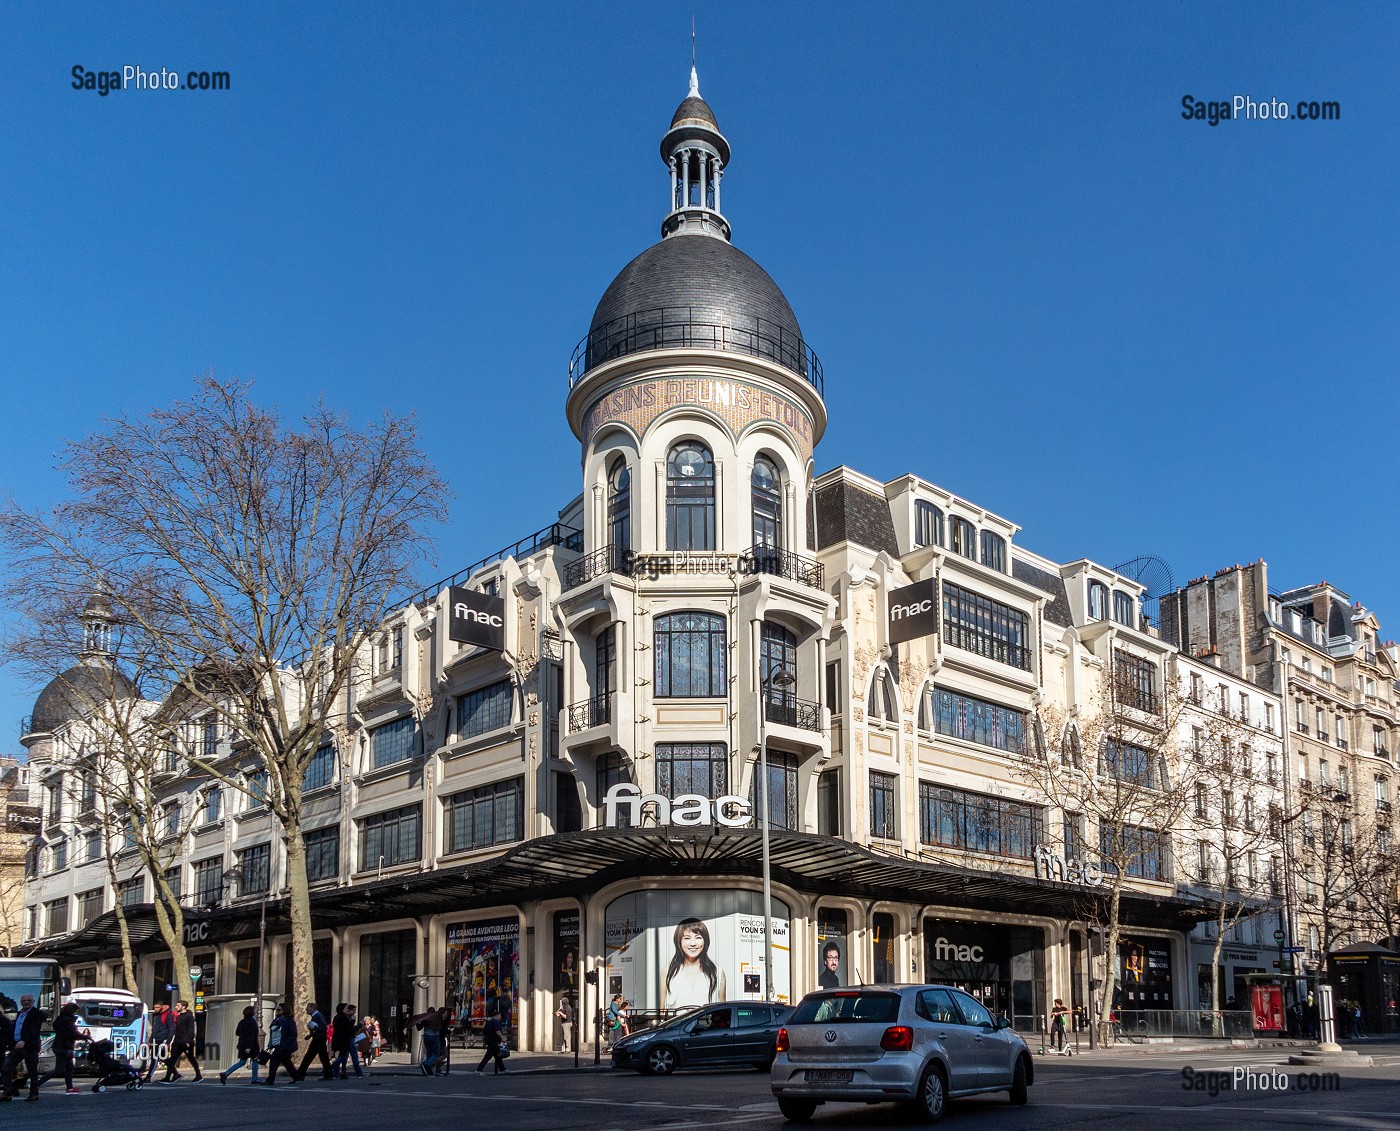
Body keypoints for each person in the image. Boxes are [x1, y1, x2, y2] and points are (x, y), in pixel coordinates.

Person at [664, 917, 727, 1008]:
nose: (693, 943)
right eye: (687, 938)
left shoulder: (717, 972)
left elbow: (723, 1010)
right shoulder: (667, 971)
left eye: (698, 937)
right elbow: (661, 1011)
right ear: (679, 941)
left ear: (705, 941)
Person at [1, 994, 46, 1101]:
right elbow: (15, 1029)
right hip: (16, 1046)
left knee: (32, 1070)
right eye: (24, 1000)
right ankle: (8, 1092)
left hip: (29, 1046)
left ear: (33, 1001)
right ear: (21, 1002)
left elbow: (34, 1029)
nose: (26, 1002)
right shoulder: (19, 1013)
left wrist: (24, 1040)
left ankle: (34, 1093)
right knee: (6, 1068)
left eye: (29, 1000)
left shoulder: (37, 1013)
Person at [37, 1002, 89, 1094]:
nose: (75, 1013)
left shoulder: (60, 1019)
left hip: (58, 1045)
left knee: (69, 1067)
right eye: (75, 1011)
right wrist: (85, 1037)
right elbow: (73, 1034)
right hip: (65, 1047)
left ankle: (70, 1087)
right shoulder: (68, 1021)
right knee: (60, 1069)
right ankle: (37, 1084)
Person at [218, 1005, 262, 1084]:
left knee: (242, 1062)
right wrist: (248, 1046)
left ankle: (226, 1073)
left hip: (242, 1044)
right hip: (252, 1046)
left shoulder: (242, 1022)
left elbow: (237, 1032)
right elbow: (252, 1035)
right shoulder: (252, 1022)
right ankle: (254, 1079)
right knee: (255, 1061)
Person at [162, 1000, 202, 1082]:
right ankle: (168, 1077)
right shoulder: (179, 1016)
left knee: (191, 1059)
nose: (176, 1007)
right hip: (177, 1041)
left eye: (178, 1005)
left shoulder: (189, 1017)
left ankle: (198, 1075)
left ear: (183, 1007)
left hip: (185, 1042)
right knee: (172, 1059)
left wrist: (188, 1041)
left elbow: (191, 1030)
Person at [263, 1003, 299, 1086]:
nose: (277, 1011)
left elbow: (293, 1034)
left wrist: (285, 1043)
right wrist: (270, 1044)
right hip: (277, 1044)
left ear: (284, 1010)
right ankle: (296, 1076)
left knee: (274, 1061)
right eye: (276, 1010)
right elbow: (273, 1033)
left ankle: (270, 1080)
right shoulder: (276, 1021)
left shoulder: (289, 1021)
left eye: (279, 1010)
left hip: (284, 1046)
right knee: (286, 1062)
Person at [295, 1003, 332, 1081]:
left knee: (309, 1056)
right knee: (323, 1057)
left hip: (319, 1039)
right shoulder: (316, 1016)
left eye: (308, 1008)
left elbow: (323, 1027)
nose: (306, 1010)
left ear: (312, 1008)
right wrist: (311, 1035)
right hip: (319, 1038)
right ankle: (328, 1074)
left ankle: (300, 1074)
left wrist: (314, 1027)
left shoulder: (318, 1016)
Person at [144, 1001, 175, 1082]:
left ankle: (148, 1077)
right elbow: (154, 1029)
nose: (156, 1009)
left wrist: (168, 1041)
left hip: (163, 1039)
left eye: (157, 1007)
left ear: (162, 1007)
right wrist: (150, 1040)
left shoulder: (168, 1015)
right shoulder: (156, 1015)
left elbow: (172, 1029)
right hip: (156, 1039)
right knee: (163, 1058)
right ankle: (176, 1073)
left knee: (155, 1058)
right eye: (155, 1007)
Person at [412, 1005, 447, 1076]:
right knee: (436, 1054)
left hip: (426, 1037)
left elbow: (419, 1028)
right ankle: (426, 1064)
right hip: (434, 1036)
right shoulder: (436, 1018)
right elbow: (440, 1028)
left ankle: (428, 1070)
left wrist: (417, 1022)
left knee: (429, 1053)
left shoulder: (425, 1018)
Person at [331, 1004, 364, 1079]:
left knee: (343, 1056)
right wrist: (358, 1024)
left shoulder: (337, 1017)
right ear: (342, 1009)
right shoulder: (343, 1018)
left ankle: (337, 1073)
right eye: (346, 1008)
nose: (347, 1009)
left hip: (342, 1039)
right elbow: (349, 1029)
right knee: (350, 1057)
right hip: (346, 1039)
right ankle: (358, 1073)